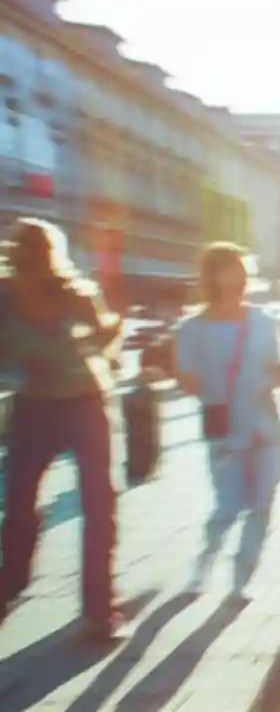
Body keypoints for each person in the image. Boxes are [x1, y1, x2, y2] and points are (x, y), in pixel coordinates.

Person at [0, 218, 123, 640]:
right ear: (16, 260)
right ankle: (12, 581)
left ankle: (99, 611)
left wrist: (104, 342)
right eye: (24, 260)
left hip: (85, 402)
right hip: (34, 406)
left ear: (52, 261)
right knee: (18, 502)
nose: (32, 270)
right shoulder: (4, 298)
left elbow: (107, 334)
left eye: (40, 259)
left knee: (99, 504)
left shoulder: (78, 296)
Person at [174, 243, 280, 601]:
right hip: (224, 429)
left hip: (266, 424)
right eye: (228, 270)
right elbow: (187, 379)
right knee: (229, 507)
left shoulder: (264, 321)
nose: (237, 279)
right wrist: (186, 380)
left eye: (241, 271)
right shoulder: (191, 329)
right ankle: (203, 565)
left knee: (262, 505)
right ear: (211, 276)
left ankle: (241, 580)